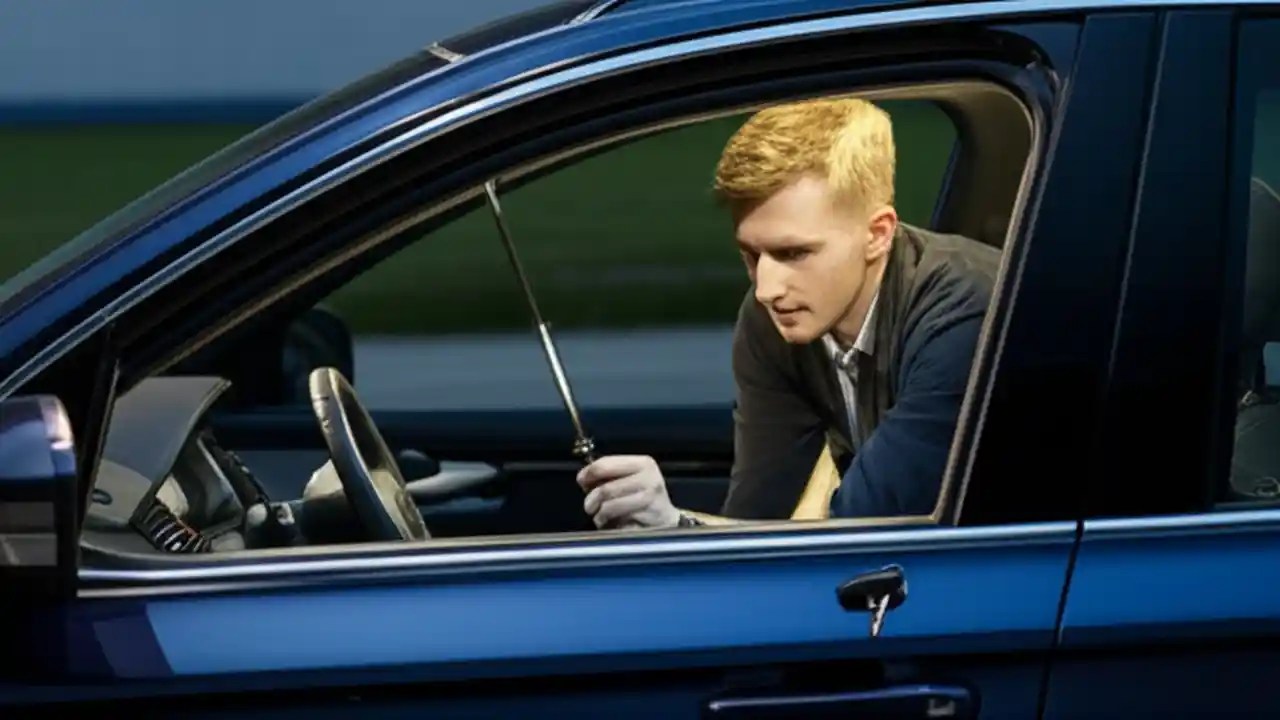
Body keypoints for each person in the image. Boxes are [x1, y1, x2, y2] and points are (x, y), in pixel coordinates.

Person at [577, 96, 1001, 529]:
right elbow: (762, 521)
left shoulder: (966, 316)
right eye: (750, 255)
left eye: (794, 253)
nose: (766, 289)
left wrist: (680, 525)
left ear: (877, 235)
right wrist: (671, 525)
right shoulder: (771, 322)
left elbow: (864, 533)